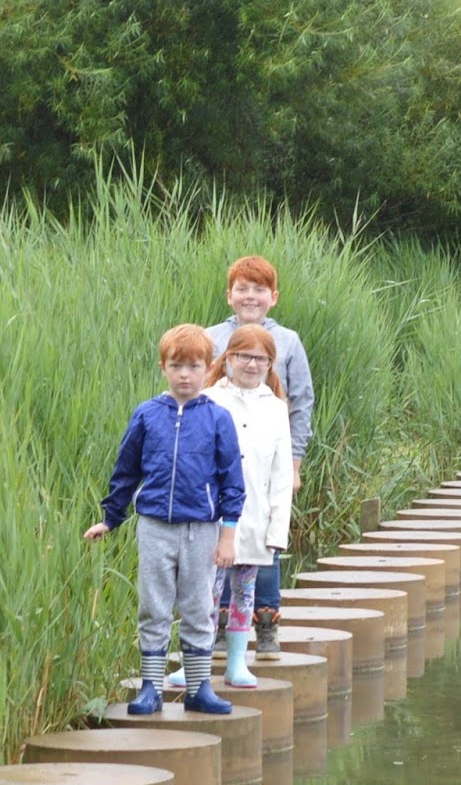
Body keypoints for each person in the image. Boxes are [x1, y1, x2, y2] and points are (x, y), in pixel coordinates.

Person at [85, 324, 245, 716]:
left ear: (209, 369)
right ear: (163, 368)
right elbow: (126, 471)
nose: (185, 374)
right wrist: (110, 518)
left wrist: (227, 534)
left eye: (194, 366)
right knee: (153, 606)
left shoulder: (218, 418)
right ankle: (151, 688)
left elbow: (232, 481)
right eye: (177, 366)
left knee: (196, 607)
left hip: (201, 529)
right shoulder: (146, 415)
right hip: (154, 526)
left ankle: (198, 688)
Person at [166, 323, 293, 690]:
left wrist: (277, 530)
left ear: (271, 364)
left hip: (256, 518)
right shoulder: (209, 399)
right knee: (202, 592)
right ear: (229, 358)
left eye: (261, 359)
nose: (252, 365)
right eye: (244, 356)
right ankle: (193, 660)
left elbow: (282, 474)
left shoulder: (275, 408)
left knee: (244, 592)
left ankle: (238, 662)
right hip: (210, 517)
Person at [206, 257, 314, 660]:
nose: (250, 296)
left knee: (266, 540)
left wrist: (295, 464)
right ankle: (216, 627)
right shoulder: (211, 336)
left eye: (259, 289)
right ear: (229, 295)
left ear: (274, 297)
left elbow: (301, 403)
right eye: (242, 288)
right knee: (219, 541)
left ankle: (266, 626)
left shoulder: (288, 341)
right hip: (221, 461)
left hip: (269, 455)